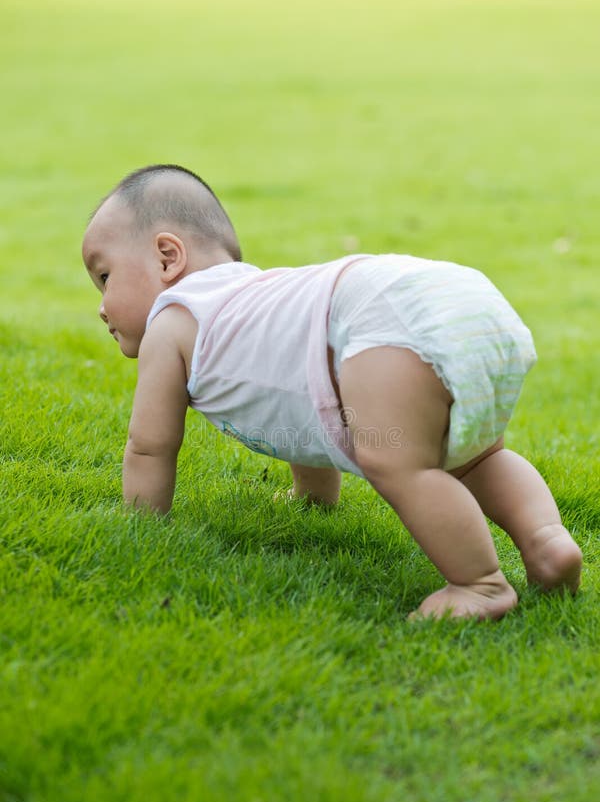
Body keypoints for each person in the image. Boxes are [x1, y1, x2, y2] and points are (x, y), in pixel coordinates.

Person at [82, 164, 582, 621]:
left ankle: (480, 584)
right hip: (464, 301)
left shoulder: (173, 320)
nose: (102, 307)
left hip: (382, 316)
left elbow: (150, 445)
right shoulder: (259, 300)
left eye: (105, 277)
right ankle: (547, 543)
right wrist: (312, 493)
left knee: (399, 461)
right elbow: (296, 395)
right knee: (476, 459)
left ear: (168, 258)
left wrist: (143, 527)